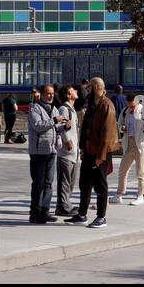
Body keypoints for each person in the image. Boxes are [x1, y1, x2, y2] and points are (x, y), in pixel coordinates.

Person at [69, 77, 118, 228]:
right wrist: (83, 148)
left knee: (100, 185)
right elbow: (86, 127)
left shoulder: (106, 105)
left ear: (96, 87)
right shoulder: (92, 103)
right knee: (85, 183)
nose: (87, 89)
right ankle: (82, 214)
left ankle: (101, 217)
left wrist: (101, 156)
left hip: (100, 151)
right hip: (90, 150)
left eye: (90, 87)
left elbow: (107, 134)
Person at [114, 93, 144, 206]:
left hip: (140, 144)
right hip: (128, 143)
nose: (130, 108)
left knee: (140, 171)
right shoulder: (125, 111)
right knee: (122, 170)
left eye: (132, 106)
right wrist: (122, 128)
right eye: (129, 106)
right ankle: (119, 194)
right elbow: (119, 123)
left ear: (138, 103)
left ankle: (140, 196)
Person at [27, 84, 65, 223]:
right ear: (42, 94)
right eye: (48, 93)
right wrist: (54, 121)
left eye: (52, 93)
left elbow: (55, 128)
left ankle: (45, 211)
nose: (51, 96)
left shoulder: (54, 109)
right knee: (39, 183)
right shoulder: (34, 108)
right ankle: (34, 212)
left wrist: (64, 127)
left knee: (49, 183)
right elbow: (38, 126)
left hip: (52, 151)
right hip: (38, 152)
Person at [53, 85, 80, 217]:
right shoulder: (64, 108)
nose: (76, 91)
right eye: (73, 90)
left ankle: (64, 205)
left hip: (74, 151)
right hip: (66, 152)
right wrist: (68, 142)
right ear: (68, 95)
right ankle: (63, 206)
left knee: (70, 181)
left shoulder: (72, 109)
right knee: (65, 181)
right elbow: (61, 126)